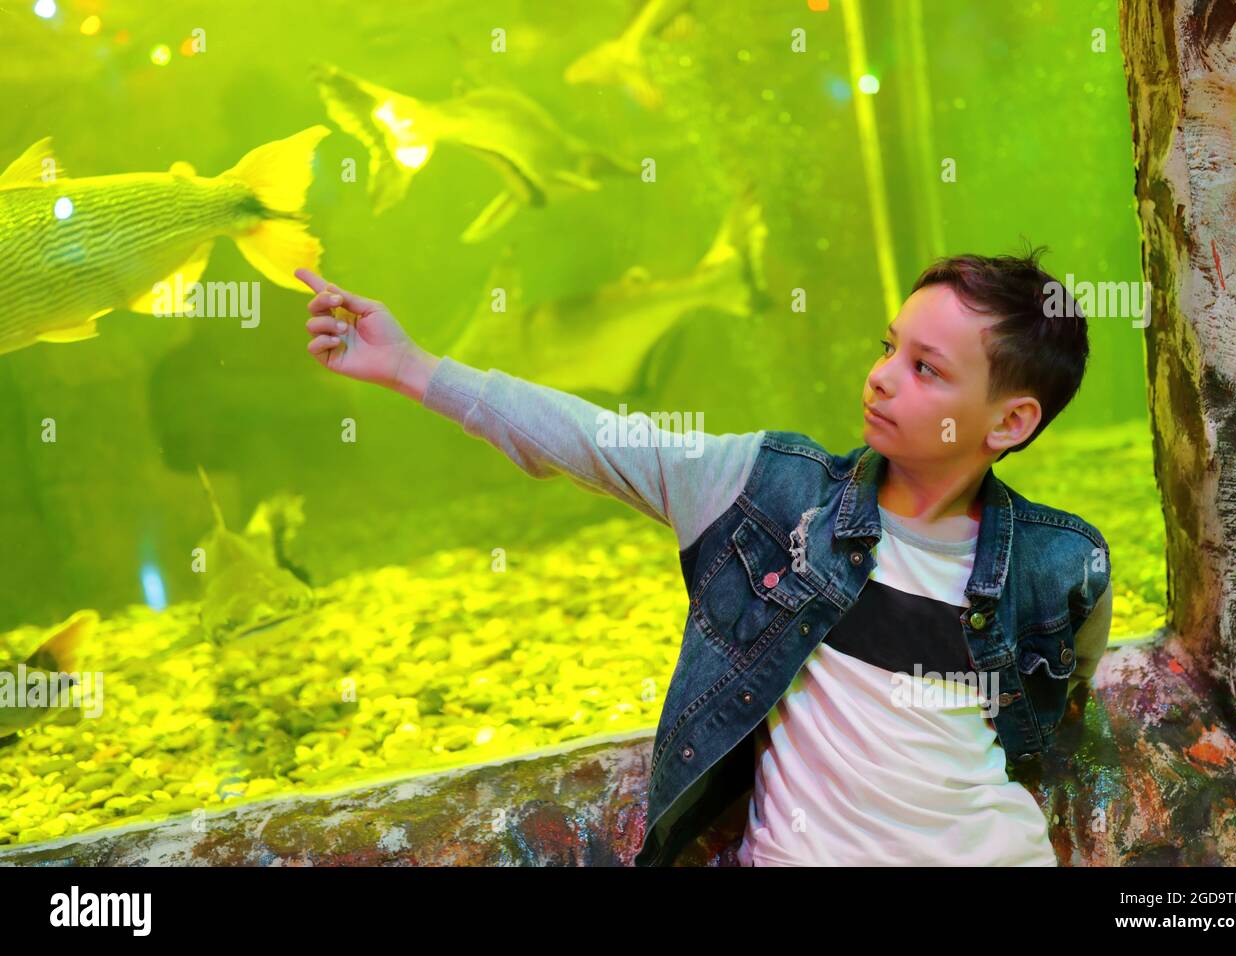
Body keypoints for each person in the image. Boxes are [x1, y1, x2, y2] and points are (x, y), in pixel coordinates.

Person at [292, 245, 1112, 867]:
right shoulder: (772, 491)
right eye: (889, 345)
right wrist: (409, 366)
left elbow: (1050, 708)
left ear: (1009, 424)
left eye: (925, 369)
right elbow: (591, 437)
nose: (880, 378)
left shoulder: (1061, 564)